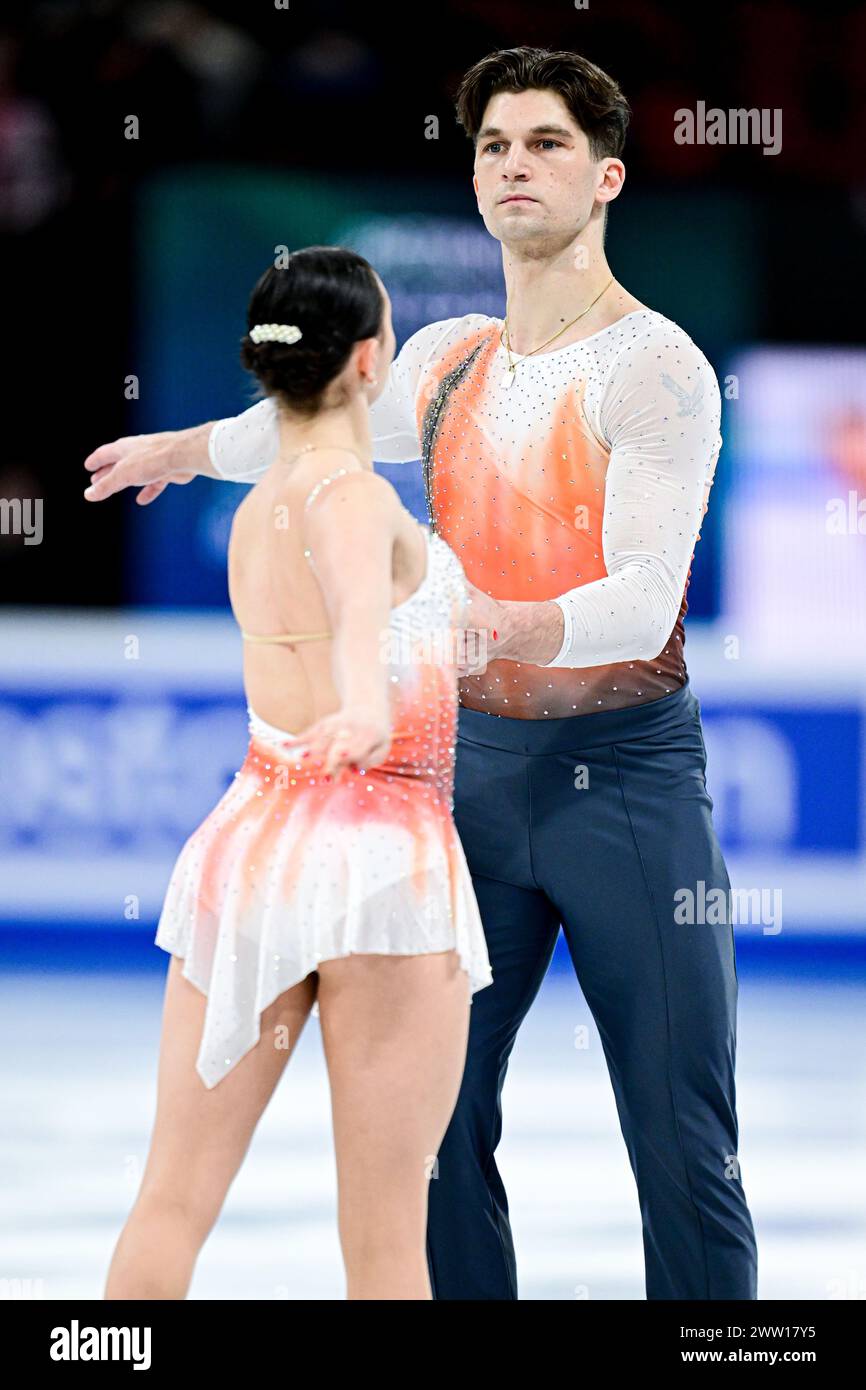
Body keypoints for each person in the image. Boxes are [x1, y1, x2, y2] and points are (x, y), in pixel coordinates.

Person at [88, 46, 758, 1301]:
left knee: (677, 1131)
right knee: (437, 1141)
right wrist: (181, 448)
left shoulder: (654, 365)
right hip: (468, 785)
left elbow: (640, 599)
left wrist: (482, 626)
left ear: (606, 176)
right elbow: (314, 425)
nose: (514, 162)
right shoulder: (447, 355)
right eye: (495, 143)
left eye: (546, 142)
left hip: (624, 782)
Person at [102, 248, 493, 1302]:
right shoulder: (353, 498)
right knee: (384, 1242)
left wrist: (180, 449)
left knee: (170, 1201)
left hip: (251, 847)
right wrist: (363, 701)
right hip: (377, 864)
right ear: (371, 358)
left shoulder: (258, 499)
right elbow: (358, 599)